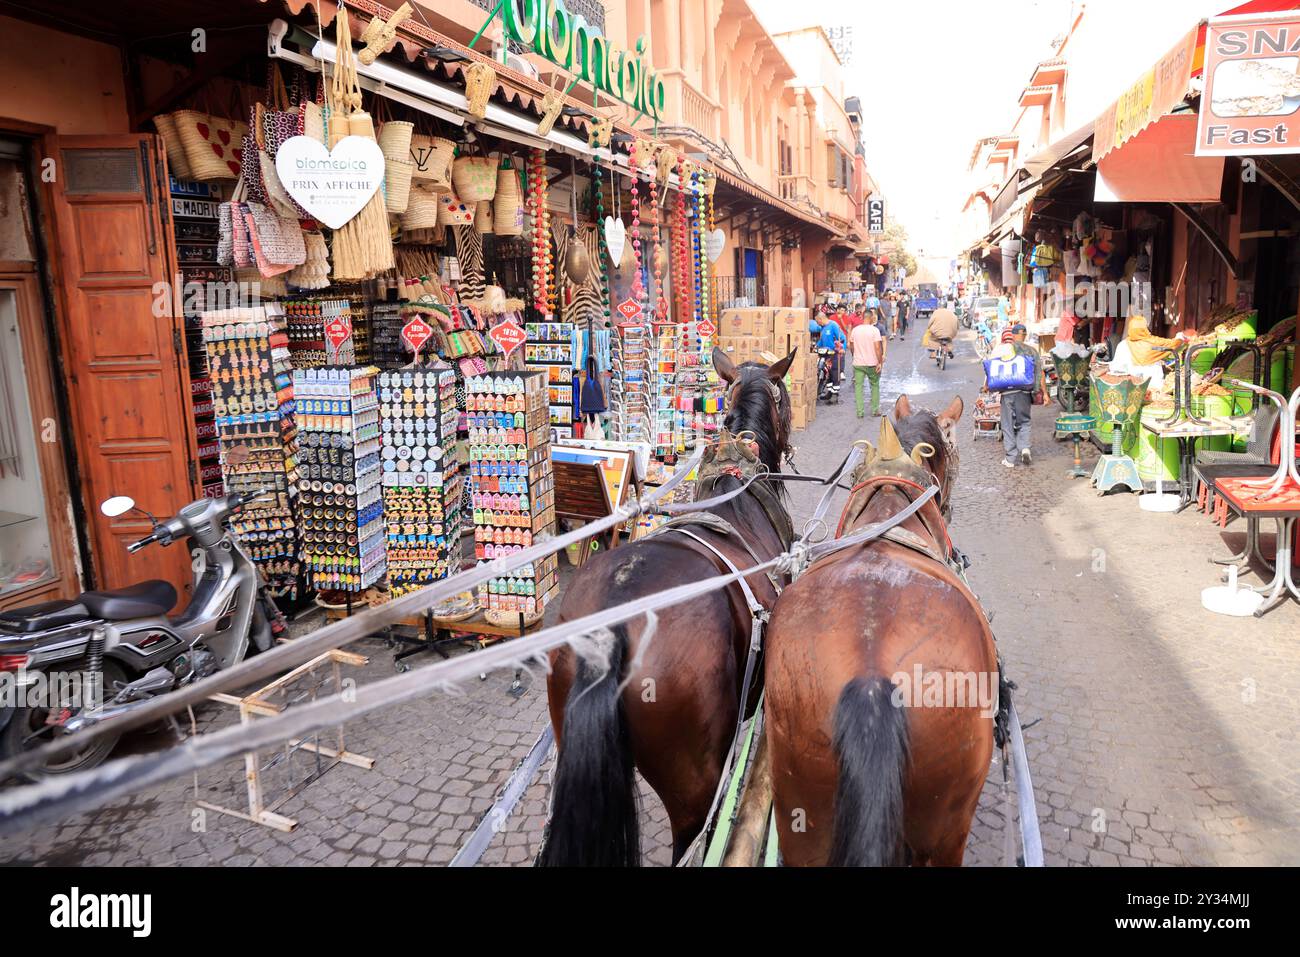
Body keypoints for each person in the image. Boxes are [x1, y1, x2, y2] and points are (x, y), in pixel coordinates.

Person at [987, 323, 1046, 468]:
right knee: (1024, 421)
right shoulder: (1032, 351)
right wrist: (1040, 392)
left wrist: (987, 386)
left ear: (1013, 335)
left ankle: (1010, 458)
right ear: (1024, 335)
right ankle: (1025, 448)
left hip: (1007, 392)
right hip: (1025, 393)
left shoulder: (1003, 349)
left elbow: (991, 370)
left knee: (1007, 424)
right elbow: (1039, 372)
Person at [849, 308, 885, 418]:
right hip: (872, 363)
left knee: (858, 387)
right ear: (872, 318)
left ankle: (860, 412)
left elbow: (851, 345)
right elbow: (878, 348)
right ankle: (875, 410)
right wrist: (879, 362)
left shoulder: (855, 330)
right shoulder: (875, 331)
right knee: (874, 385)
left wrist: (854, 355)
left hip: (858, 363)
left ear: (862, 317)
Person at [815, 312, 848, 396]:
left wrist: (842, 349)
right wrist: (815, 347)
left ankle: (835, 394)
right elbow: (822, 340)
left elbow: (842, 338)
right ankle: (829, 392)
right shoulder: (823, 328)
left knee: (835, 373)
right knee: (828, 374)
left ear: (820, 319)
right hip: (826, 355)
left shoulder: (833, 325)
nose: (817, 324)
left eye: (817, 322)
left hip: (835, 354)